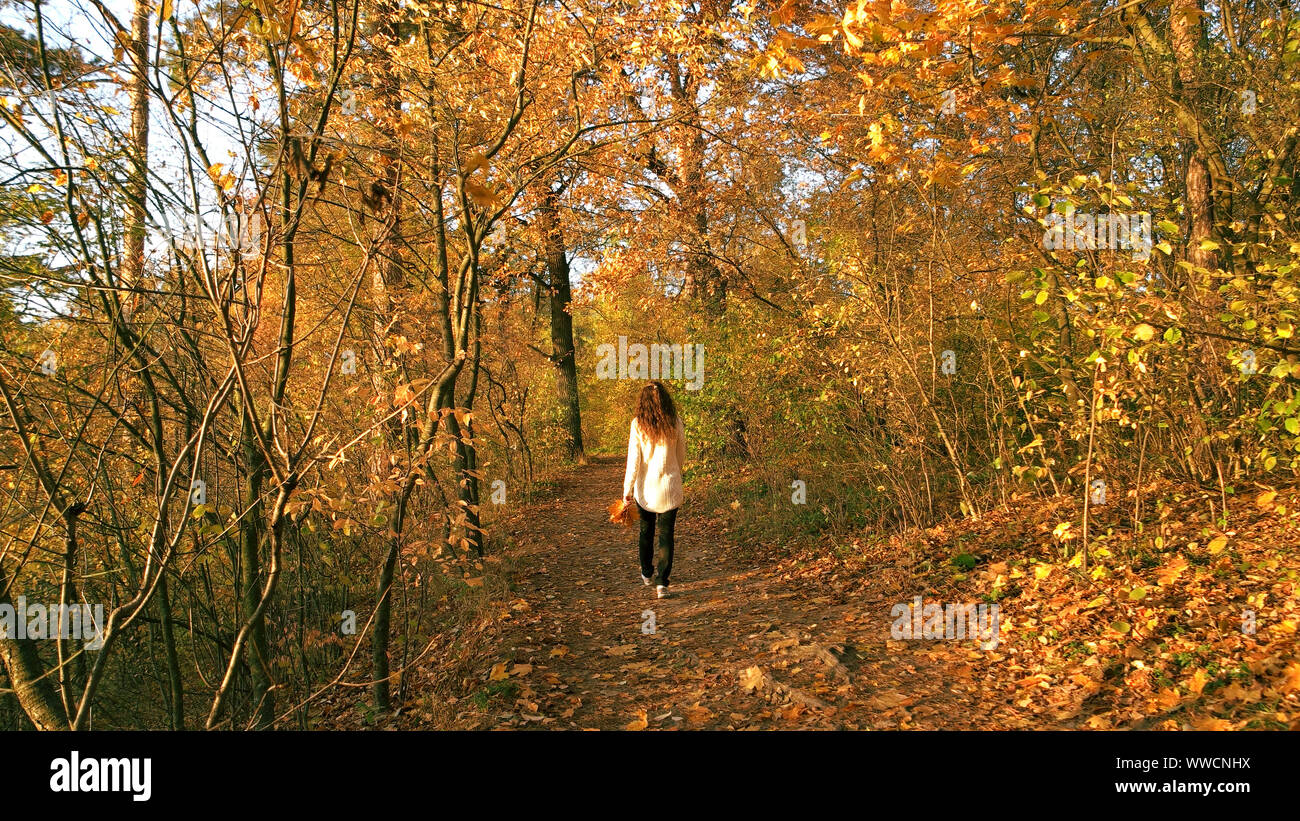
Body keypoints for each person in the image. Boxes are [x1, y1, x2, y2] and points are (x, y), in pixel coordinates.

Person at [622, 380, 686, 599]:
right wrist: (674, 471)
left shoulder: (638, 424)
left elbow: (634, 460)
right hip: (670, 485)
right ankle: (662, 583)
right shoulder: (675, 421)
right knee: (666, 535)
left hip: (646, 489)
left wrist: (627, 489)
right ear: (665, 399)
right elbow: (681, 455)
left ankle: (647, 572)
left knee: (646, 531)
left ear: (644, 402)